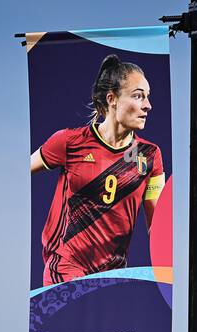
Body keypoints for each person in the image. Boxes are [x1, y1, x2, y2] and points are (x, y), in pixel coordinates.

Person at [30, 54, 165, 285]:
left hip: (111, 278)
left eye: (148, 97)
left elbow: (157, 226)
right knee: (69, 321)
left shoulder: (150, 156)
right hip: (65, 267)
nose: (147, 105)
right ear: (112, 99)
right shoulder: (69, 141)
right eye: (138, 96)